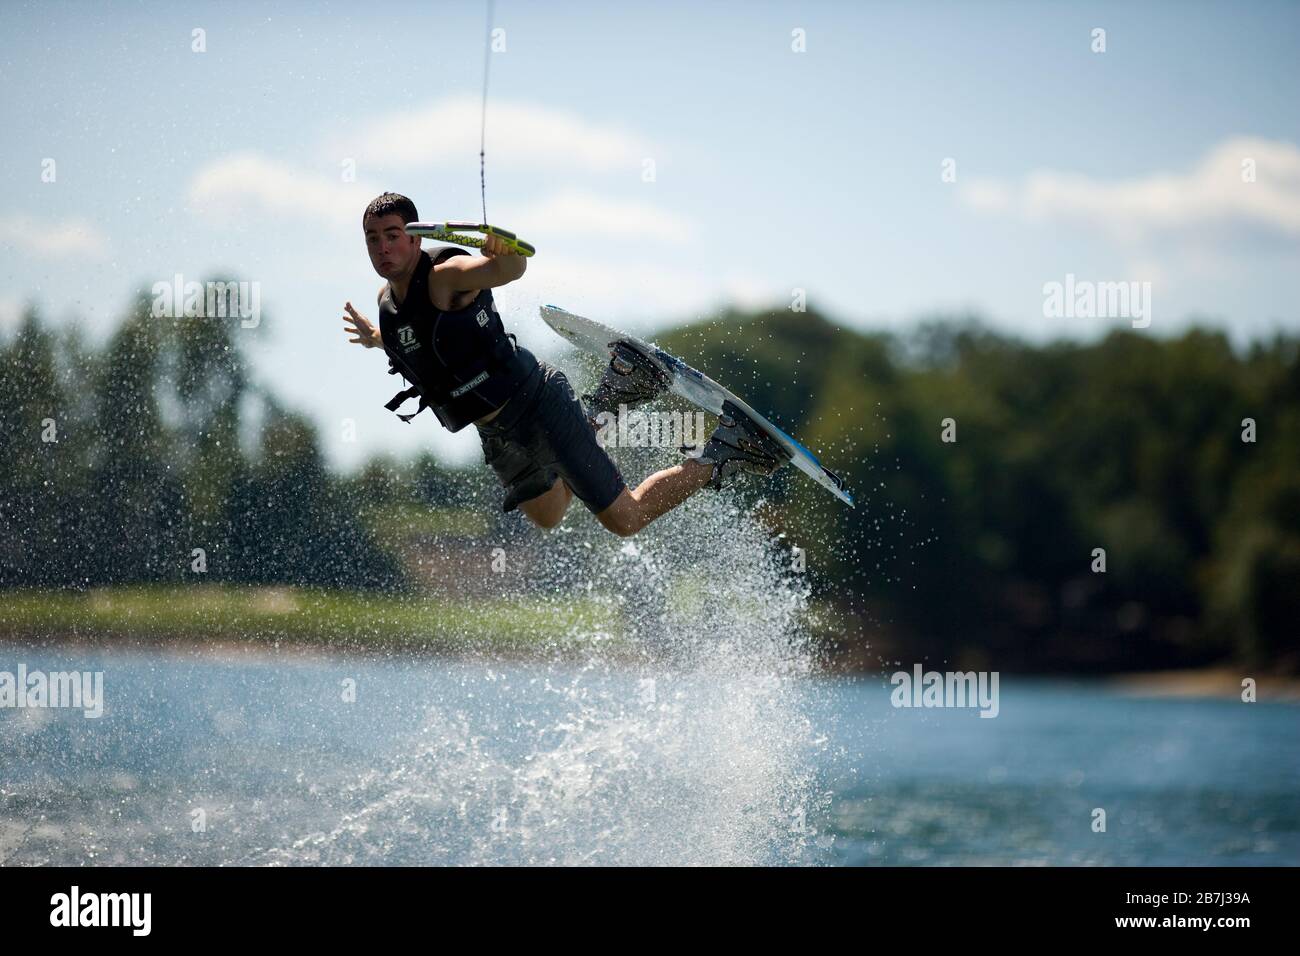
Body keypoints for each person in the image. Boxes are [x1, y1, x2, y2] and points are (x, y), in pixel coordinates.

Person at [342, 192, 790, 537]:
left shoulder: (447, 276)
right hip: (498, 431)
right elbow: (425, 343)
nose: (382, 247)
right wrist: (376, 339)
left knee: (625, 518)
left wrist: (505, 251)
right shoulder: (388, 303)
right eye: (372, 238)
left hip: (537, 405)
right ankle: (616, 393)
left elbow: (509, 270)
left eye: (392, 235)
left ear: (416, 239)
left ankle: (724, 450)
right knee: (548, 512)